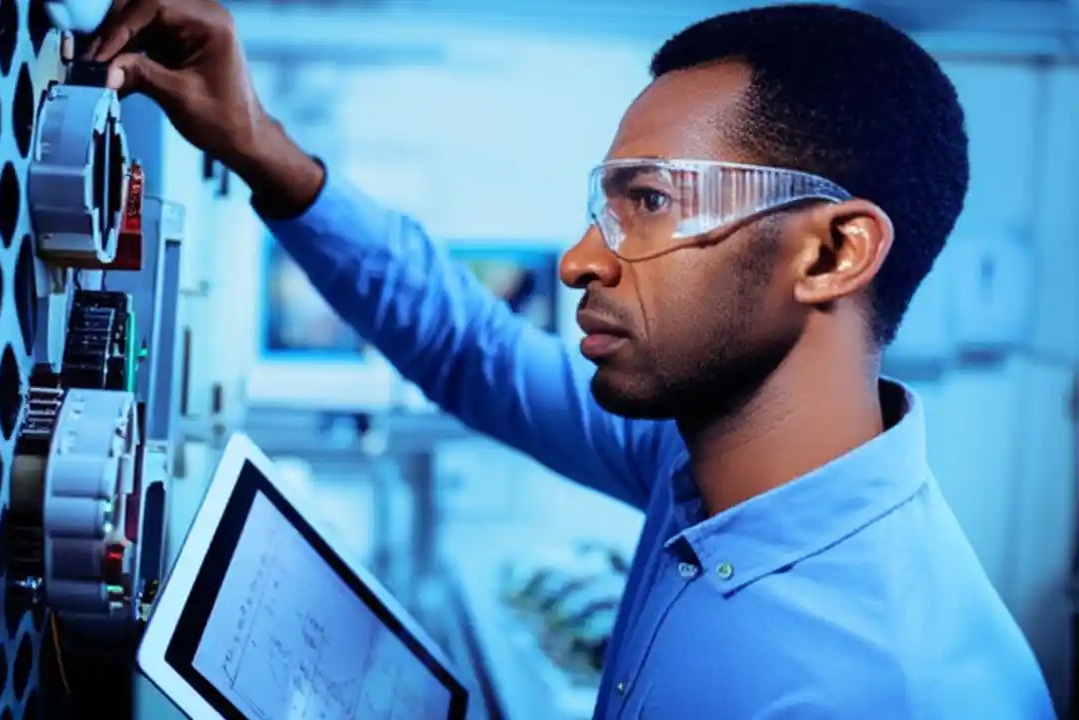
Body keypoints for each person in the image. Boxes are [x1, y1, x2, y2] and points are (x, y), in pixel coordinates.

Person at [86, 1, 1056, 717]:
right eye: (605, 203)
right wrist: (258, 146)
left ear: (830, 252)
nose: (579, 259)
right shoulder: (694, 465)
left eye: (650, 203)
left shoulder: (906, 689)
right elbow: (469, 349)